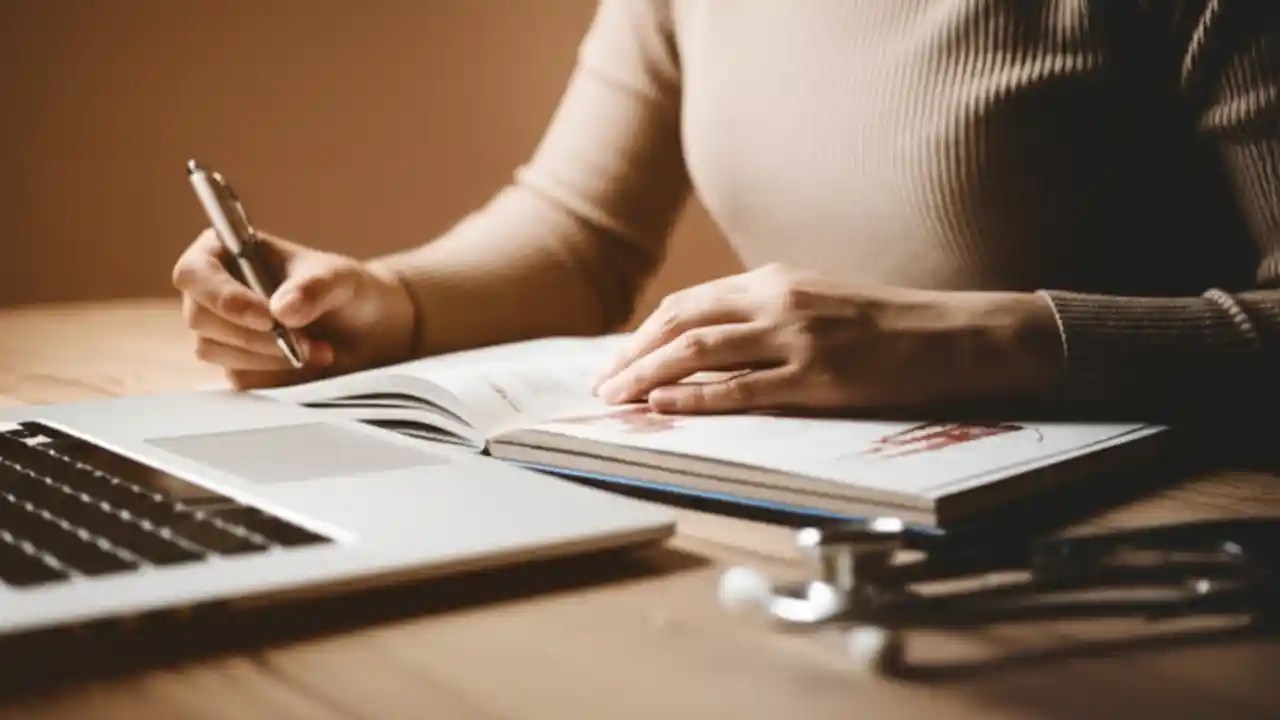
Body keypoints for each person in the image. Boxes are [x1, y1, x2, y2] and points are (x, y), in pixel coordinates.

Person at [172, 0, 1278, 422]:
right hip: (811, 519)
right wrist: (385, 301)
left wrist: (972, 338)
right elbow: (576, 234)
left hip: (1155, 560)